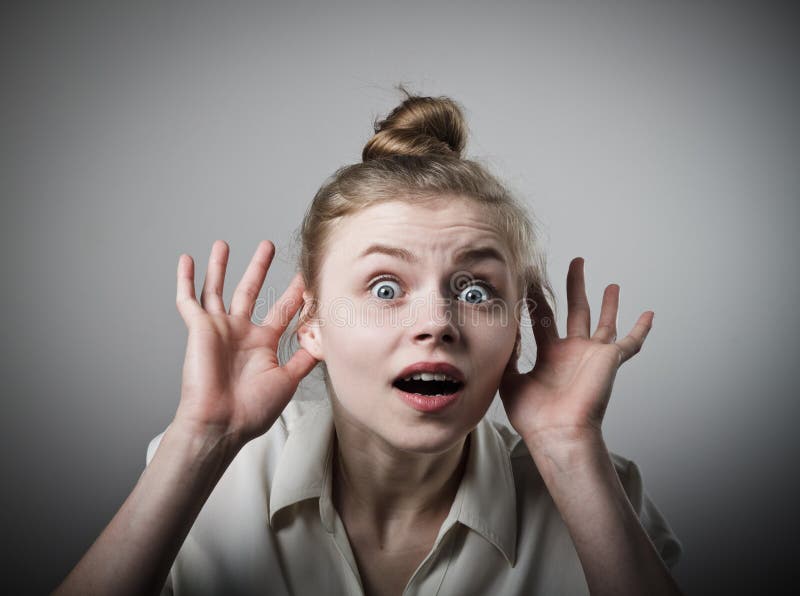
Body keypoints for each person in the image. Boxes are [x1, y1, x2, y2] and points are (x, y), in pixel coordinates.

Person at [55, 89, 683, 596]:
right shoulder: (213, 476)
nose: (437, 322)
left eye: (474, 292)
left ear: (517, 331)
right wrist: (201, 438)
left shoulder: (599, 486)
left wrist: (570, 450)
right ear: (313, 325)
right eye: (385, 289)